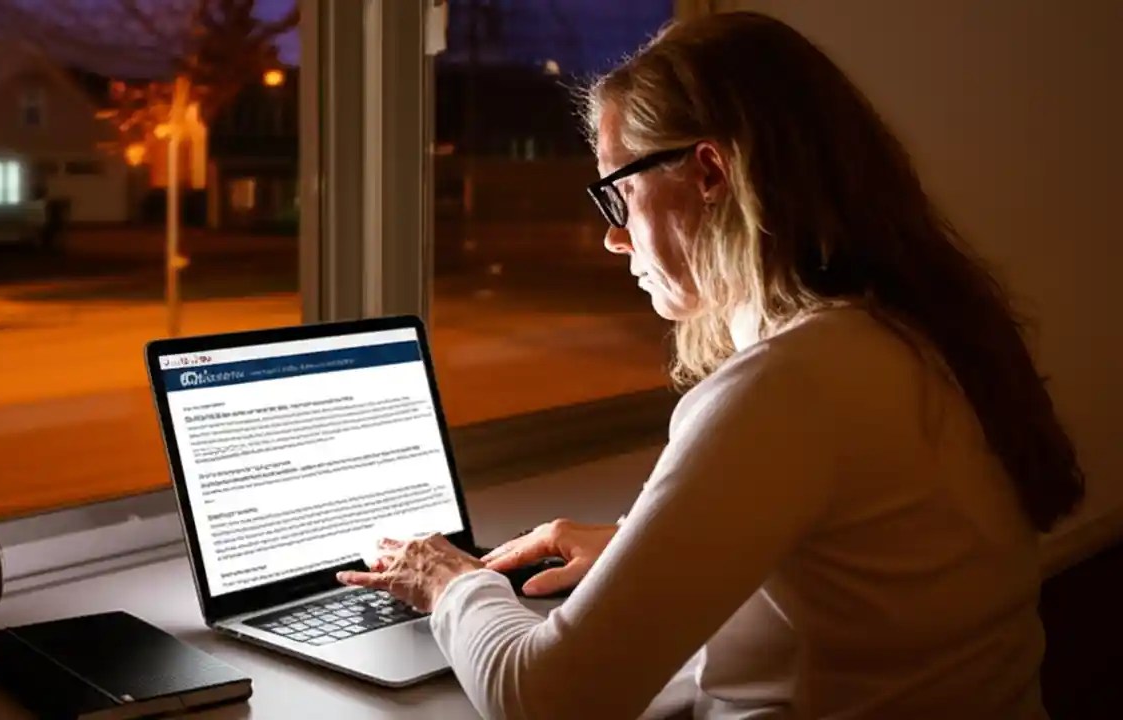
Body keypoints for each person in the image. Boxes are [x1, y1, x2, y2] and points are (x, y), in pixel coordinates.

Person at [338, 11, 1084, 719]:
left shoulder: (788, 386)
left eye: (620, 194)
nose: (615, 239)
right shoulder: (919, 334)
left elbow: (548, 698)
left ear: (708, 174)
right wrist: (636, 543)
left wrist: (450, 582)